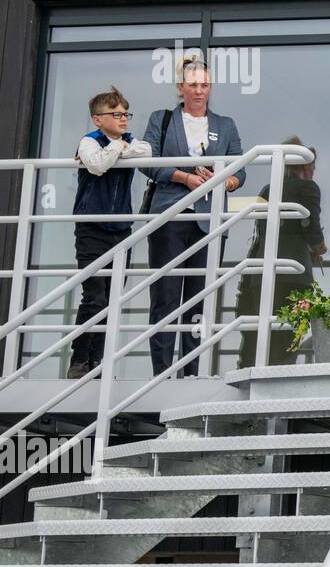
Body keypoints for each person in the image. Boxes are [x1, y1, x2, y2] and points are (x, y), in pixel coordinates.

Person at [142, 56, 245, 378]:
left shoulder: (225, 124)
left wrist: (225, 179)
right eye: (193, 85)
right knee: (166, 298)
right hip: (171, 216)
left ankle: (191, 371)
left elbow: (239, 170)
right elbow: (147, 163)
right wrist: (183, 177)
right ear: (180, 88)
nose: (199, 91)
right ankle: (161, 371)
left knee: (199, 300)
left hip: (208, 220)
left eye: (205, 85)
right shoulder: (162, 120)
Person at [68, 86, 152, 379]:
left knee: (113, 299)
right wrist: (118, 148)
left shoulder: (126, 140)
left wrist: (121, 147)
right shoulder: (88, 141)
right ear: (97, 119)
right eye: (116, 114)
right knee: (95, 298)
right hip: (92, 229)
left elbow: (147, 151)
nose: (124, 119)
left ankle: (99, 364)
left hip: (120, 230)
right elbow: (97, 164)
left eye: (126, 114)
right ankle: (80, 360)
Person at [235, 136, 326, 368]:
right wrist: (319, 247)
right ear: (305, 166)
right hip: (291, 272)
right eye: (312, 166)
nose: (314, 172)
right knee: (287, 332)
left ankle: (253, 368)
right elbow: (311, 225)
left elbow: (261, 228)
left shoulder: (268, 189)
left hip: (259, 270)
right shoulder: (308, 188)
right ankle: (279, 371)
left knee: (259, 333)